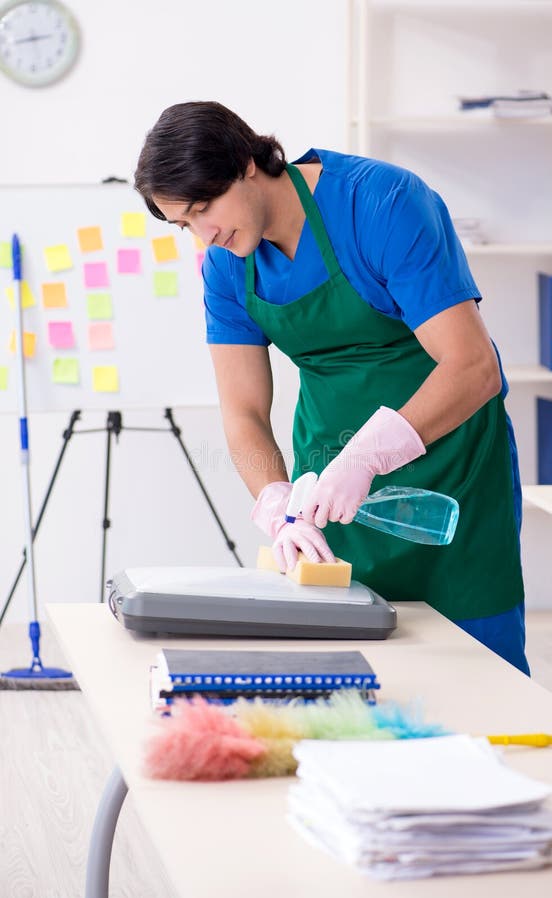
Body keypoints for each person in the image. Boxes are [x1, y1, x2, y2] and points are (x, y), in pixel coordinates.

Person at [134, 100, 529, 675]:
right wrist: (276, 503)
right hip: (332, 498)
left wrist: (369, 455)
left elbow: (473, 367)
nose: (204, 235)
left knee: (484, 684)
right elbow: (243, 413)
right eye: (184, 224)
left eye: (204, 209)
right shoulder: (226, 266)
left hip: (455, 485)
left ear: (247, 164)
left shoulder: (382, 204)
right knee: (353, 687)